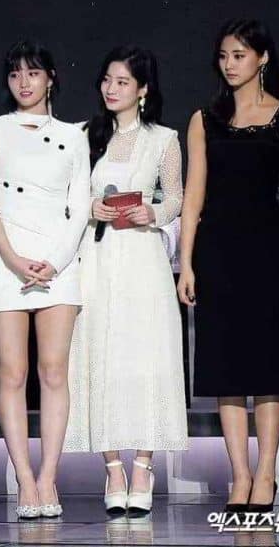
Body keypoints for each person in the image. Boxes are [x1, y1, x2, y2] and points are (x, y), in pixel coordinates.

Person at [178, 19, 279, 513]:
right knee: (224, 368)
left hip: (267, 251)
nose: (229, 64)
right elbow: (193, 196)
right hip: (216, 252)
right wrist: (186, 263)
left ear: (262, 57)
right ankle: (240, 475)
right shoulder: (203, 120)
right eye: (224, 56)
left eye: (239, 55)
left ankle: (267, 473)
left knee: (267, 366)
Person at [64, 45, 188, 515]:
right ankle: (112, 467)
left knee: (146, 355)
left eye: (122, 82)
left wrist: (152, 212)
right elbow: (67, 197)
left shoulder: (164, 139)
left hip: (142, 258)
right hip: (96, 258)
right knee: (97, 354)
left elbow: (175, 197)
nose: (111, 89)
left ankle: (143, 465)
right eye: (107, 80)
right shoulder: (84, 135)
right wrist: (89, 208)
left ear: (142, 89)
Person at [0, 40, 90, 519]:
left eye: (34, 73)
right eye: (16, 74)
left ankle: (48, 477)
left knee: (54, 372)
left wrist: (55, 262)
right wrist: (14, 259)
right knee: (13, 373)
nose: (24, 82)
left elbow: (80, 205)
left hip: (59, 263)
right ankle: (24, 477)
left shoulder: (75, 135)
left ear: (50, 79)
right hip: (7, 263)